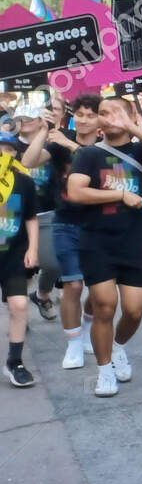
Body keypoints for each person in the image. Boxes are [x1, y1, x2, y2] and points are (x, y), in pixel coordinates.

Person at [65, 97, 142, 398]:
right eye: (102, 113)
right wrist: (119, 195)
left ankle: (118, 346)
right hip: (97, 242)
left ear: (129, 117)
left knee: (135, 311)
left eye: (114, 112)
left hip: (133, 242)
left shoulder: (140, 150)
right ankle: (104, 373)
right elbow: (76, 191)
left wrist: (131, 126)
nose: (107, 117)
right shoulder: (88, 154)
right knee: (104, 306)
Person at [29, 93, 100, 370]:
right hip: (65, 223)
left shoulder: (107, 143)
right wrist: (44, 131)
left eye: (90, 115)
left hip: (100, 225)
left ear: (99, 119)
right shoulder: (58, 142)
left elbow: (95, 163)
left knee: (99, 289)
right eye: (79, 114)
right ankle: (73, 344)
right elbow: (29, 161)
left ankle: (87, 327)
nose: (83, 120)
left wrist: (69, 143)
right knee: (72, 284)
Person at [0, 131, 40, 387]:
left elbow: (30, 218)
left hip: (13, 253)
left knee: (20, 306)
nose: (3, 153)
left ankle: (15, 362)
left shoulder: (23, 182)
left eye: (9, 149)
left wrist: (33, 249)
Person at [13, 103, 58, 322]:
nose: (25, 119)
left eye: (32, 115)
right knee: (18, 272)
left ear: (42, 120)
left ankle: (42, 294)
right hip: (13, 216)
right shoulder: (6, 144)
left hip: (46, 213)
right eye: (21, 115)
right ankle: (19, 318)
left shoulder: (52, 146)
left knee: (52, 264)